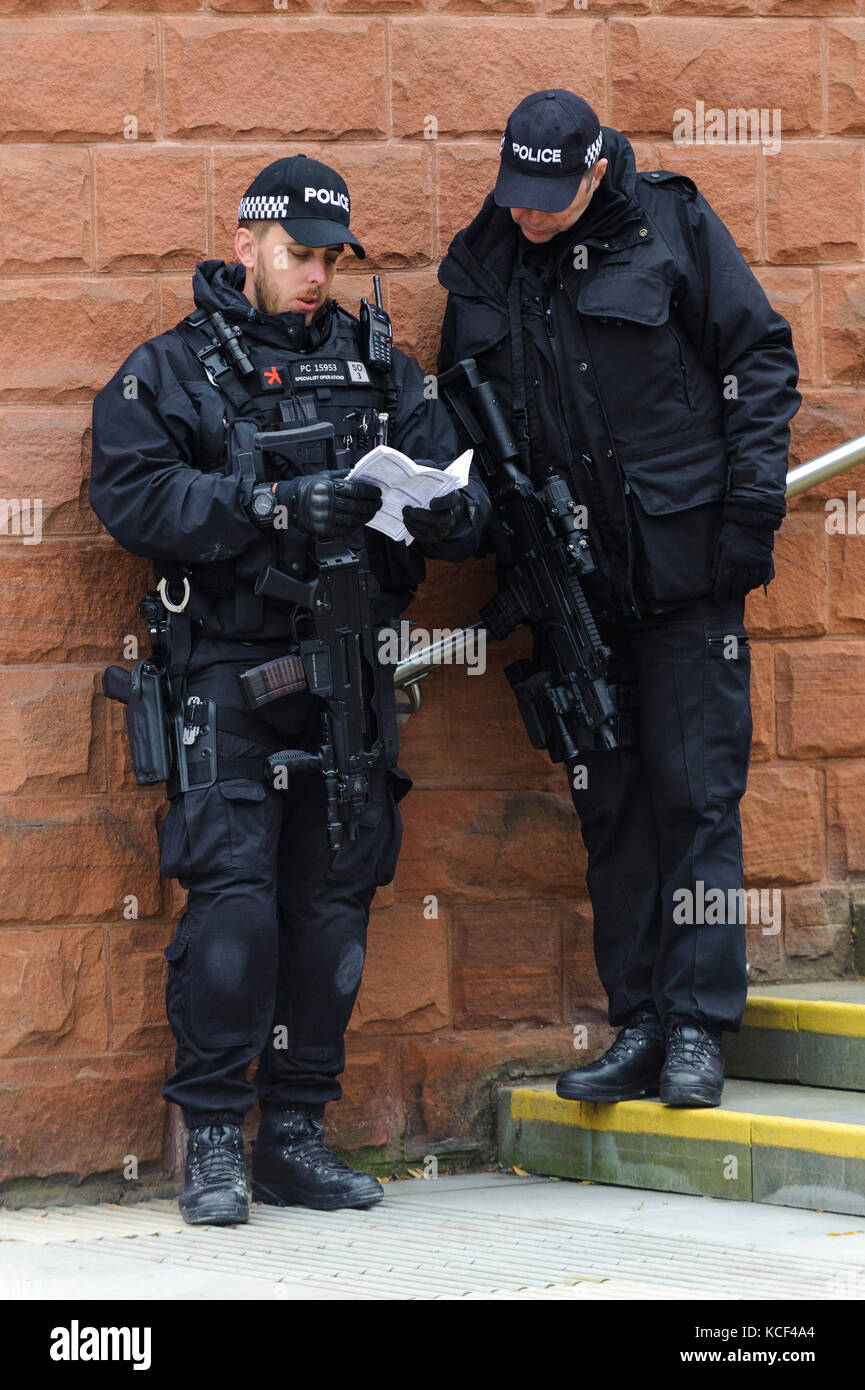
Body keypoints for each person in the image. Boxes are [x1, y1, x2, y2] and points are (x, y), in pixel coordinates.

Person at [90, 154, 489, 1225]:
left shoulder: (381, 367)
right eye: (298, 254)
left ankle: (296, 1135)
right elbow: (131, 492)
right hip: (229, 666)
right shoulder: (170, 369)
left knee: (333, 906)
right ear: (246, 245)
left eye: (330, 260)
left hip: (350, 664)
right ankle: (216, 1140)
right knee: (235, 907)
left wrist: (457, 513)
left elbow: (458, 483)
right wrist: (269, 507)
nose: (316, 276)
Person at [438, 90, 800, 1109]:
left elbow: (758, 359)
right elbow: (454, 425)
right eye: (514, 190)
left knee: (695, 798)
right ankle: (637, 1020)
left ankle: (694, 1027)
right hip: (568, 592)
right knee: (612, 813)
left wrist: (749, 513)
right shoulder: (484, 264)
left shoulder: (670, 224)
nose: (526, 211)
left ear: (595, 172)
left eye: (547, 195)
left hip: (685, 574)